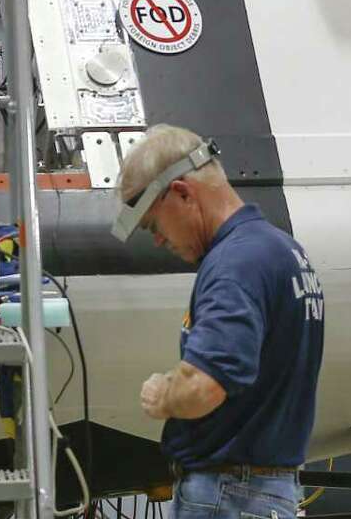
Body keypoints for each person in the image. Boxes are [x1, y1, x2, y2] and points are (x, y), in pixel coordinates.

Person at [111, 126, 324, 519]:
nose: (158, 241)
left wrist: (164, 394)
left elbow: (203, 388)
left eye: (154, 225)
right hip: (265, 491)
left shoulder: (234, 265)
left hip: (230, 495)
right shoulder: (284, 250)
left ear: (182, 193)